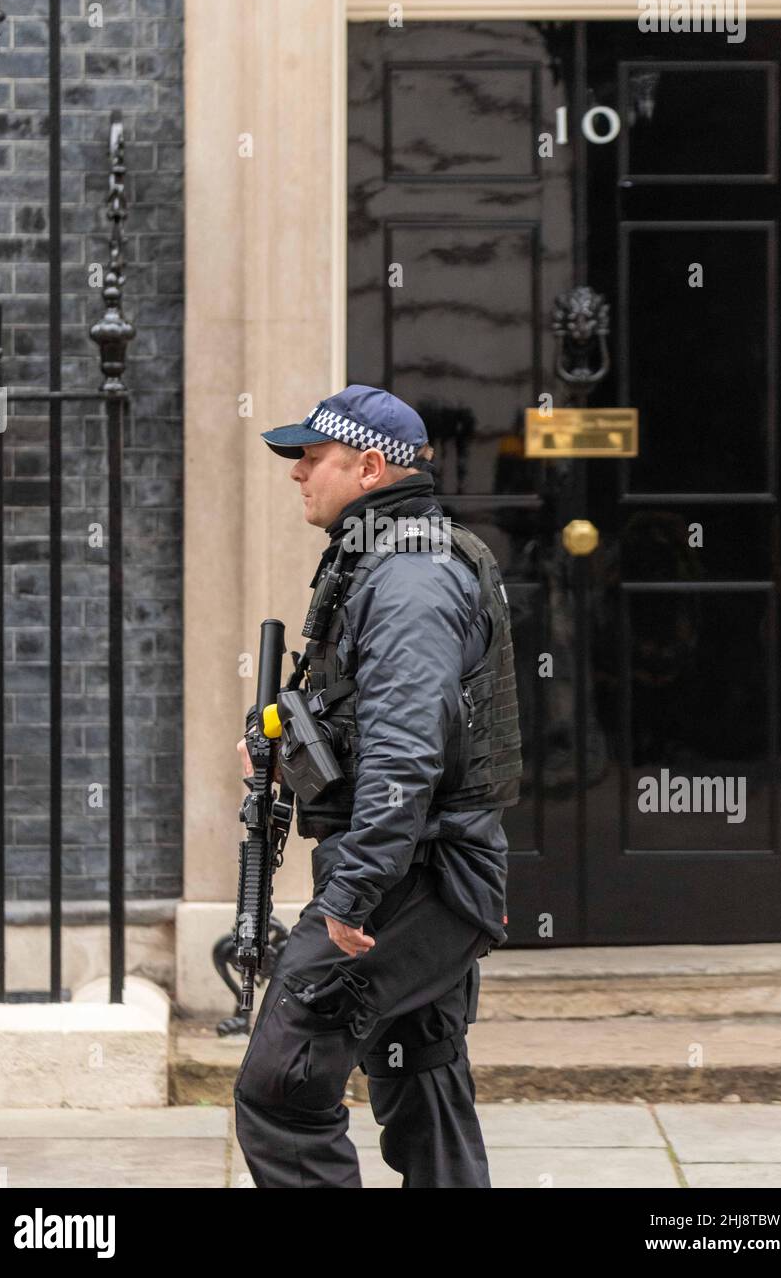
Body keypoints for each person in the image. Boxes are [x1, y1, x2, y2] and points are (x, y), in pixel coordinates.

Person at [233, 384, 522, 1188]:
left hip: (412, 884)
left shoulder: (410, 579)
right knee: (423, 1081)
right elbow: (368, 722)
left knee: (281, 1092)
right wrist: (281, 745)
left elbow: (404, 762)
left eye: (312, 458)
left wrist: (346, 902)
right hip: (422, 876)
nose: (297, 475)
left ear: (367, 467)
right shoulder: (388, 558)